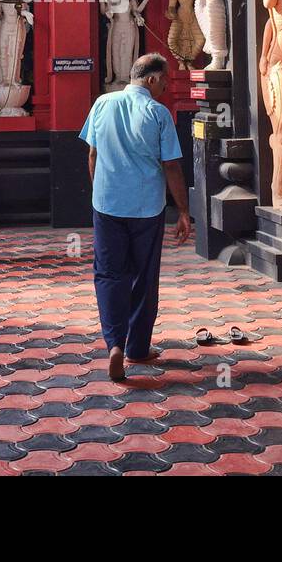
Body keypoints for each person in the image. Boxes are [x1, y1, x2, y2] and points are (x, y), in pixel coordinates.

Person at [79, 53, 192, 382]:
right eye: (166, 81)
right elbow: (171, 166)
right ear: (152, 79)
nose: (167, 87)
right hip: (146, 209)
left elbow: (92, 154)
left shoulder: (102, 104)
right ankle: (138, 347)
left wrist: (99, 190)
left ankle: (115, 344)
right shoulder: (158, 114)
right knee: (144, 276)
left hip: (107, 205)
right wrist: (183, 212)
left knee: (109, 274)